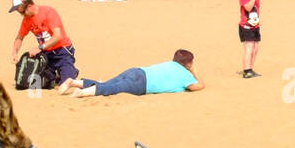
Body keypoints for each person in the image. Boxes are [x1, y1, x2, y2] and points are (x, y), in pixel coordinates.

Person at [60, 49, 204, 99]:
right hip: (142, 84)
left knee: (108, 84)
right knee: (110, 89)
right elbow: (199, 86)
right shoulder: (185, 75)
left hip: (137, 71)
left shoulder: (169, 64)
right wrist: (194, 71)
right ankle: (82, 93)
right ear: (188, 63)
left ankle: (75, 82)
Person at [9, 0, 78, 87]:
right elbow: (19, 38)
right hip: (46, 54)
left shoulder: (48, 12)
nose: (21, 14)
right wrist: (15, 52)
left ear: (28, 6)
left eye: (21, 11)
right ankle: (57, 74)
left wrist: (39, 48)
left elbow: (57, 36)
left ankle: (70, 71)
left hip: (62, 50)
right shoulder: (26, 20)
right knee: (39, 83)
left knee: (66, 82)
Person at [239, 0, 262, 77]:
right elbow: (247, 8)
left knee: (255, 48)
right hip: (246, 26)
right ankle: (246, 70)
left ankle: (250, 68)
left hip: (255, 25)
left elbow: (256, 10)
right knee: (249, 47)